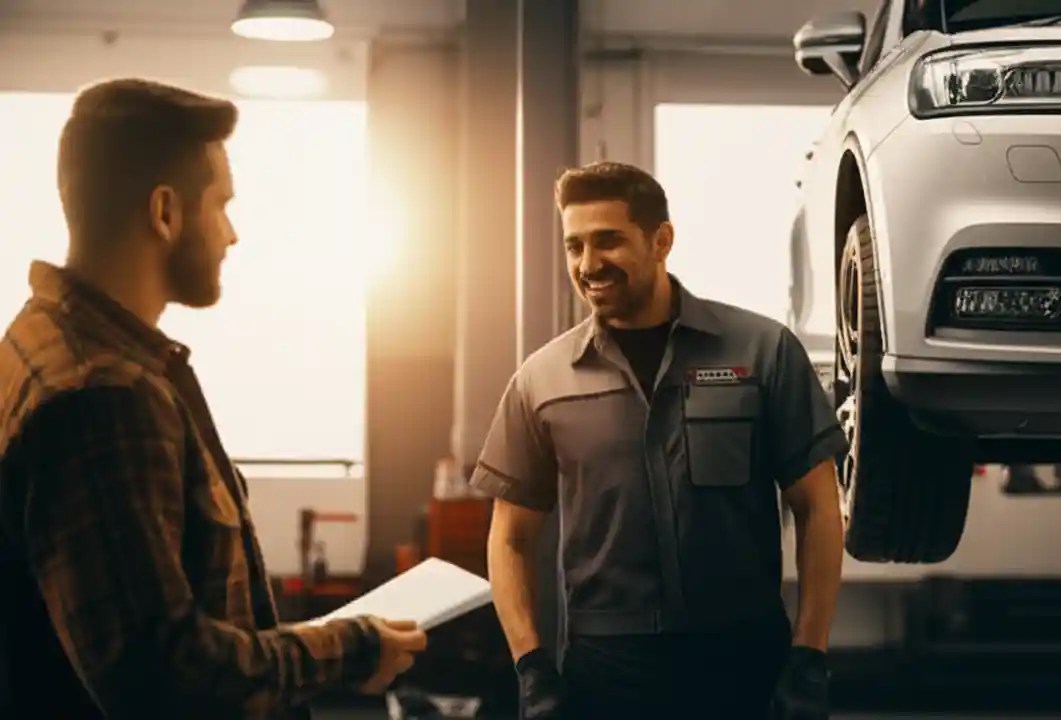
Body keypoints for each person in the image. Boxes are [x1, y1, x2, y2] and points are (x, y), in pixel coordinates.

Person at [0, 78, 426, 719]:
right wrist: (350, 649)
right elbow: (162, 672)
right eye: (220, 204)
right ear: (165, 212)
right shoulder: (103, 395)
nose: (232, 234)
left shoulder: (41, 341)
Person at [472, 161, 848, 719]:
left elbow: (819, 509)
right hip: (605, 668)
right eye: (574, 246)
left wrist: (810, 655)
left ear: (661, 240)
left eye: (608, 242)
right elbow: (508, 538)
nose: (588, 264)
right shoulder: (541, 380)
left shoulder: (761, 351)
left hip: (743, 661)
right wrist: (531, 667)